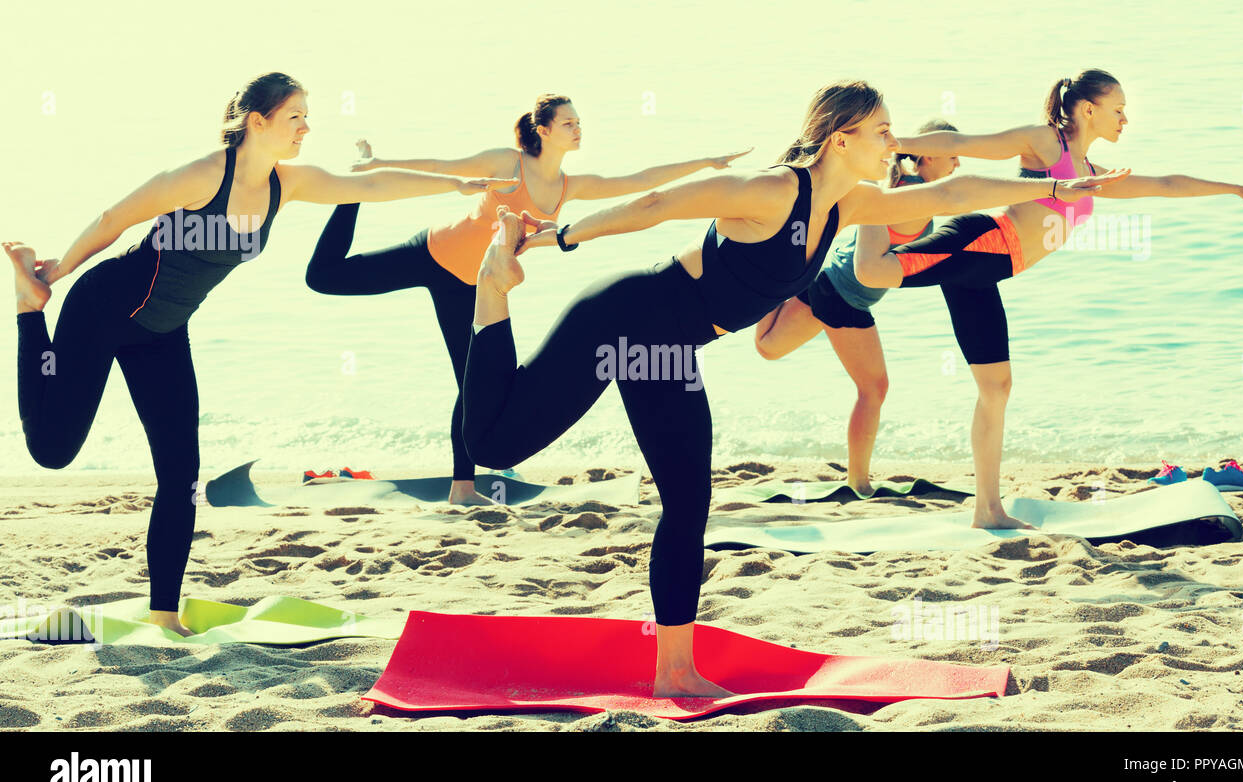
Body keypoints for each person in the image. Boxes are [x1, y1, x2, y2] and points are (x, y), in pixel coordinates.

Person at [460, 81, 1123, 696]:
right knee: (495, 443)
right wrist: (566, 235)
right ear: (842, 140)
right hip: (623, 318)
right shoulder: (777, 191)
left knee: (689, 503)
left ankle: (675, 670)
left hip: (670, 350)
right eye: (882, 132)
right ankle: (491, 291)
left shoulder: (849, 203)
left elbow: (948, 196)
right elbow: (663, 205)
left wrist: (1055, 193)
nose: (895, 144)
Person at [7, 72, 511, 636]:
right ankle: (30, 307)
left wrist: (457, 184)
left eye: (306, 116)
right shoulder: (203, 176)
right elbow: (112, 219)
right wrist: (59, 270)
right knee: (52, 454)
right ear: (257, 122)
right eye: (295, 116)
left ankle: (164, 615)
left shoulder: (284, 184)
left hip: (164, 332)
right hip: (104, 310)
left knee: (181, 475)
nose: (306, 127)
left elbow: (366, 185)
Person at [850, 69, 1243, 529]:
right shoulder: (1046, 143)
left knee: (996, 390)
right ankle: (863, 193)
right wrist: (891, 144)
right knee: (871, 269)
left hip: (989, 274)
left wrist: (1235, 188)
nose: (1125, 119)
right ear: (1088, 109)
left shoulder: (1093, 175)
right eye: (1118, 109)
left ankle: (987, 511)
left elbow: (1167, 184)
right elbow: (966, 143)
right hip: (981, 243)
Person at [305, 94, 750, 504]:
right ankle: (351, 195)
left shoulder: (567, 186)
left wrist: (706, 162)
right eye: (569, 122)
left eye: (579, 122)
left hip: (475, 287)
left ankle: (463, 488)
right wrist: (376, 165)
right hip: (432, 254)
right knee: (324, 277)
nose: (578, 128)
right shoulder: (508, 163)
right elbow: (445, 165)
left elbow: (638, 182)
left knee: (471, 383)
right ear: (544, 129)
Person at [754, 119, 961, 495]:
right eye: (953, 155)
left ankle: (773, 276)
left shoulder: (913, 191)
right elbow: (878, 258)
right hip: (843, 294)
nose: (958, 164)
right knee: (874, 388)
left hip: (827, 282)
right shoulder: (904, 193)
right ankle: (859, 482)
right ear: (928, 156)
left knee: (768, 347)